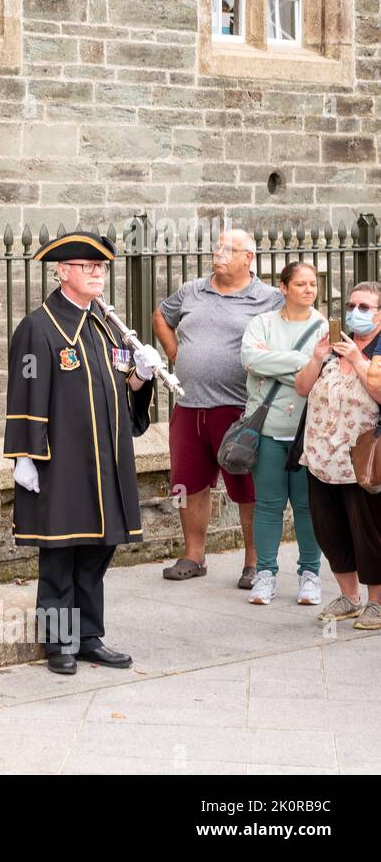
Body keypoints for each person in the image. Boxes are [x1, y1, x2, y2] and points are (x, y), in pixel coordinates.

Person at [4, 232, 159, 675]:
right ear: (62, 272)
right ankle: (58, 642)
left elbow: (122, 385)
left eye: (102, 268)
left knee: (98, 548)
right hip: (62, 461)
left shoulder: (104, 323)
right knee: (60, 551)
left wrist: (142, 376)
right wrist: (25, 456)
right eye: (88, 267)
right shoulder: (40, 326)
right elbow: (25, 392)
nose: (98, 274)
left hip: (107, 459)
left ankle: (89, 635)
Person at [152, 229, 284, 587]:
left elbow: (289, 335)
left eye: (229, 249)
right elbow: (161, 316)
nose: (219, 253)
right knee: (188, 484)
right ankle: (193, 556)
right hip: (189, 404)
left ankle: (255, 561)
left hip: (239, 408)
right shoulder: (193, 290)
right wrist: (175, 353)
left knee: (247, 488)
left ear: (249, 258)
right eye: (218, 247)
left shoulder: (269, 298)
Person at [293, 281, 381, 630]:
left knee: (370, 532)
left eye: (365, 307)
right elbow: (302, 387)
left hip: (363, 462)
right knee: (330, 530)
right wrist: (317, 357)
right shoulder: (333, 346)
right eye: (351, 306)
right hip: (321, 457)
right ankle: (349, 596)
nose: (355, 313)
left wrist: (357, 359)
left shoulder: (372, 349)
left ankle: (377, 601)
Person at [239, 261, 326, 605]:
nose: (308, 290)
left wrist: (272, 363)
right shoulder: (262, 323)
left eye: (313, 284)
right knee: (269, 506)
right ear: (284, 287)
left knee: (306, 508)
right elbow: (249, 358)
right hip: (268, 429)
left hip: (308, 431)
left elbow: (323, 373)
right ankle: (265, 574)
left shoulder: (323, 328)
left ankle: (309, 575)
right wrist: (302, 364)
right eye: (301, 284)